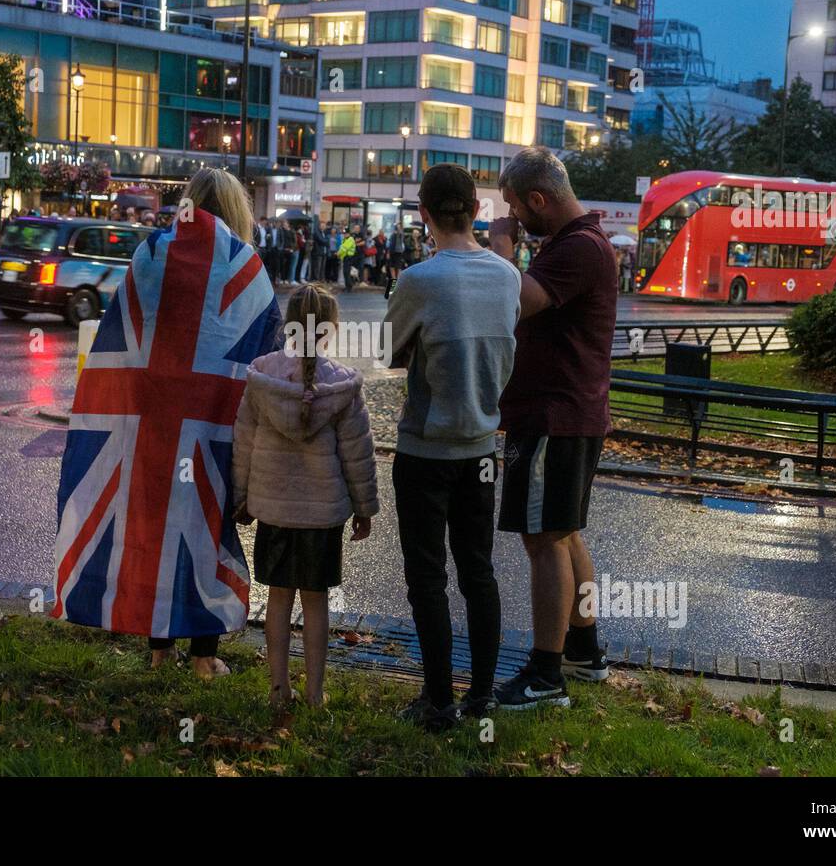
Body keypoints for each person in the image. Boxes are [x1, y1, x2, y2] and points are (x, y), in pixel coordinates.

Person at [51, 168, 281, 680]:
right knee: (204, 528)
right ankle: (204, 657)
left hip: (148, 421)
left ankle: (160, 651)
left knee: (153, 526)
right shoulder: (247, 267)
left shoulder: (151, 255)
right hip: (212, 426)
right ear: (238, 211)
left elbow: (121, 329)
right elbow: (269, 353)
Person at [383, 164, 521, 730]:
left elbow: (391, 350)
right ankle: (483, 694)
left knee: (427, 578)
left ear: (425, 214)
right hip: (483, 448)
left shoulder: (421, 279)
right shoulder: (507, 276)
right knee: (478, 572)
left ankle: (439, 700)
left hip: (426, 449)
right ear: (475, 209)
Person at [486, 146, 617, 710]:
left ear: (539, 199)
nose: (512, 216)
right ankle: (583, 653)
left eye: (516, 206)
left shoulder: (577, 249)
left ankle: (545, 676)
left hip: (552, 417)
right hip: (567, 413)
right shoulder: (579, 243)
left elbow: (513, 301)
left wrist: (501, 247)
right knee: (563, 532)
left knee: (542, 540)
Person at [233, 283, 378, 707]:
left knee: (278, 599)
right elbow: (358, 454)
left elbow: (243, 442)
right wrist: (365, 508)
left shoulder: (262, 376)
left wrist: (241, 497)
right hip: (322, 515)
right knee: (315, 603)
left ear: (287, 326)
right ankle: (315, 693)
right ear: (329, 330)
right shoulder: (343, 386)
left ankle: (279, 691)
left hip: (274, 510)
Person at [385, 223, 405, 299]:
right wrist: (388, 253)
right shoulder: (393, 235)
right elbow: (389, 244)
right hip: (393, 253)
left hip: (398, 253)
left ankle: (397, 289)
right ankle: (392, 290)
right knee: (392, 271)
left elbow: (400, 237)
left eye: (399, 227)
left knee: (398, 271)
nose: (398, 228)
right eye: (397, 227)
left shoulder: (400, 235)